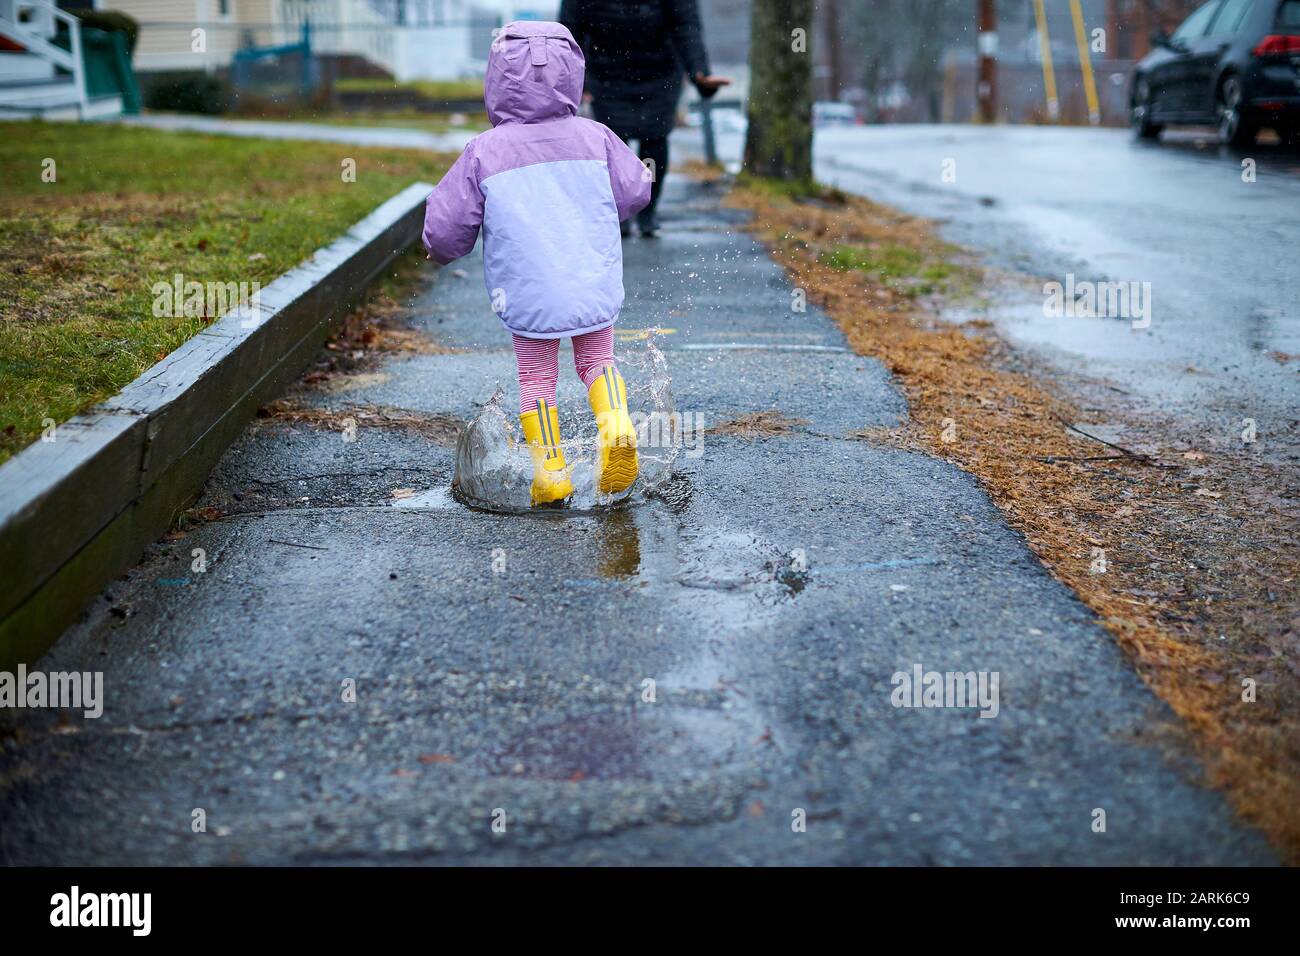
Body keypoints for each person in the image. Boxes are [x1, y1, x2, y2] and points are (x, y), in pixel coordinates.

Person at [421, 21, 650, 508]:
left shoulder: (484, 151)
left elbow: (449, 221)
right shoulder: (597, 137)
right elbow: (634, 191)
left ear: (497, 81)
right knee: (596, 360)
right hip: (590, 276)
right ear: (572, 75)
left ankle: (550, 472)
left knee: (537, 378)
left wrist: (439, 249)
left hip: (529, 286)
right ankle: (617, 425)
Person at [560, 0, 730, 237]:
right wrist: (577, 79)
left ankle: (648, 210)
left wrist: (699, 71)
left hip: (660, 73)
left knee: (655, 139)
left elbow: (686, 26)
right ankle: (621, 212)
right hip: (607, 73)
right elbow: (571, 28)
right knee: (613, 144)